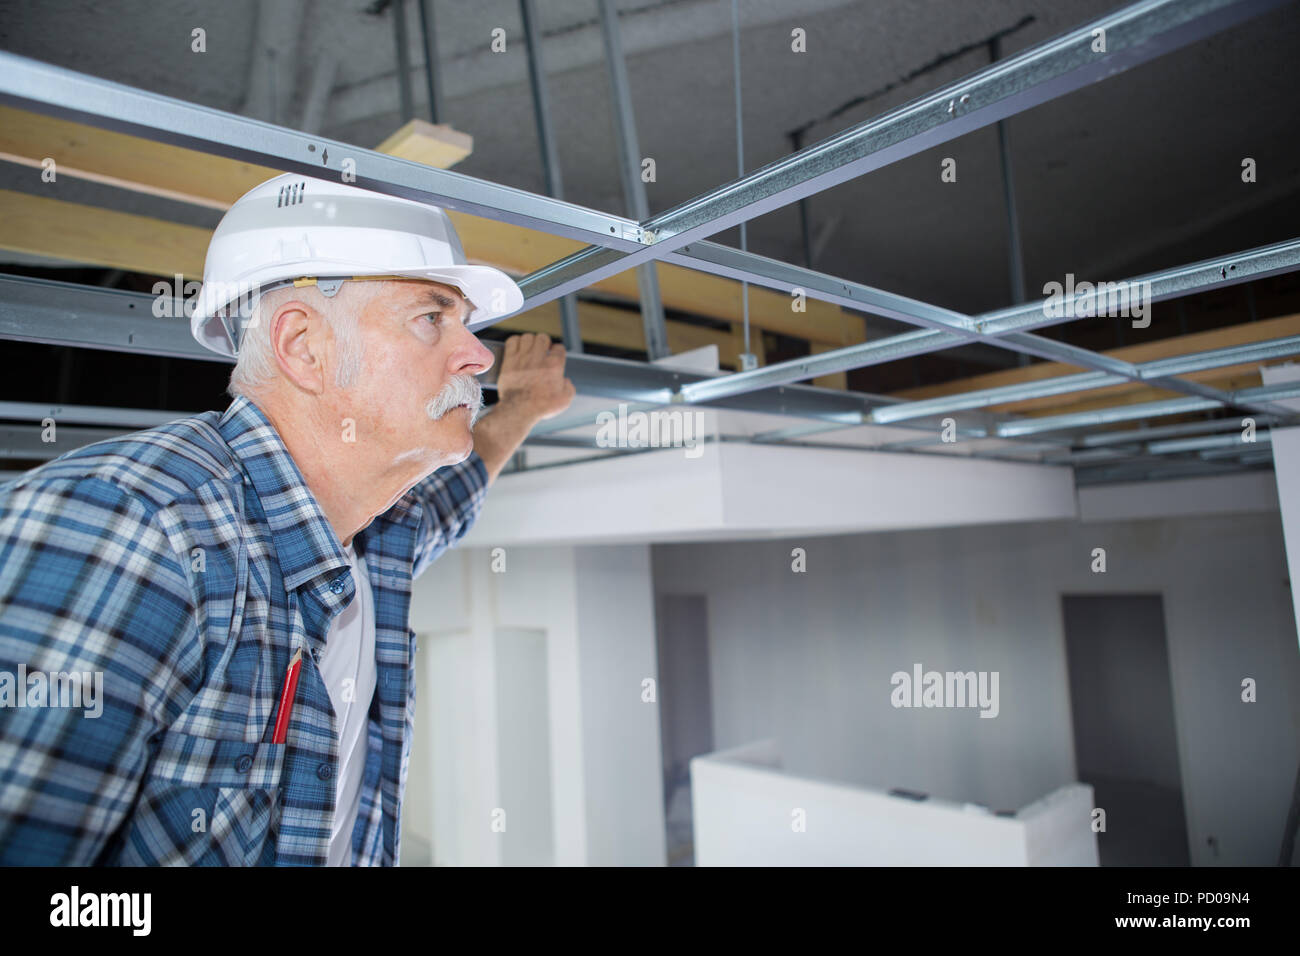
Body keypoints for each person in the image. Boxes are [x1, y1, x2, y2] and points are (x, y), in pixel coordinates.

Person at [0, 173, 575, 865]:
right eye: (432, 317)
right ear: (303, 346)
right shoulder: (135, 528)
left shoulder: (377, 532)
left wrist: (522, 407)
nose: (479, 355)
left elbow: (461, 485)